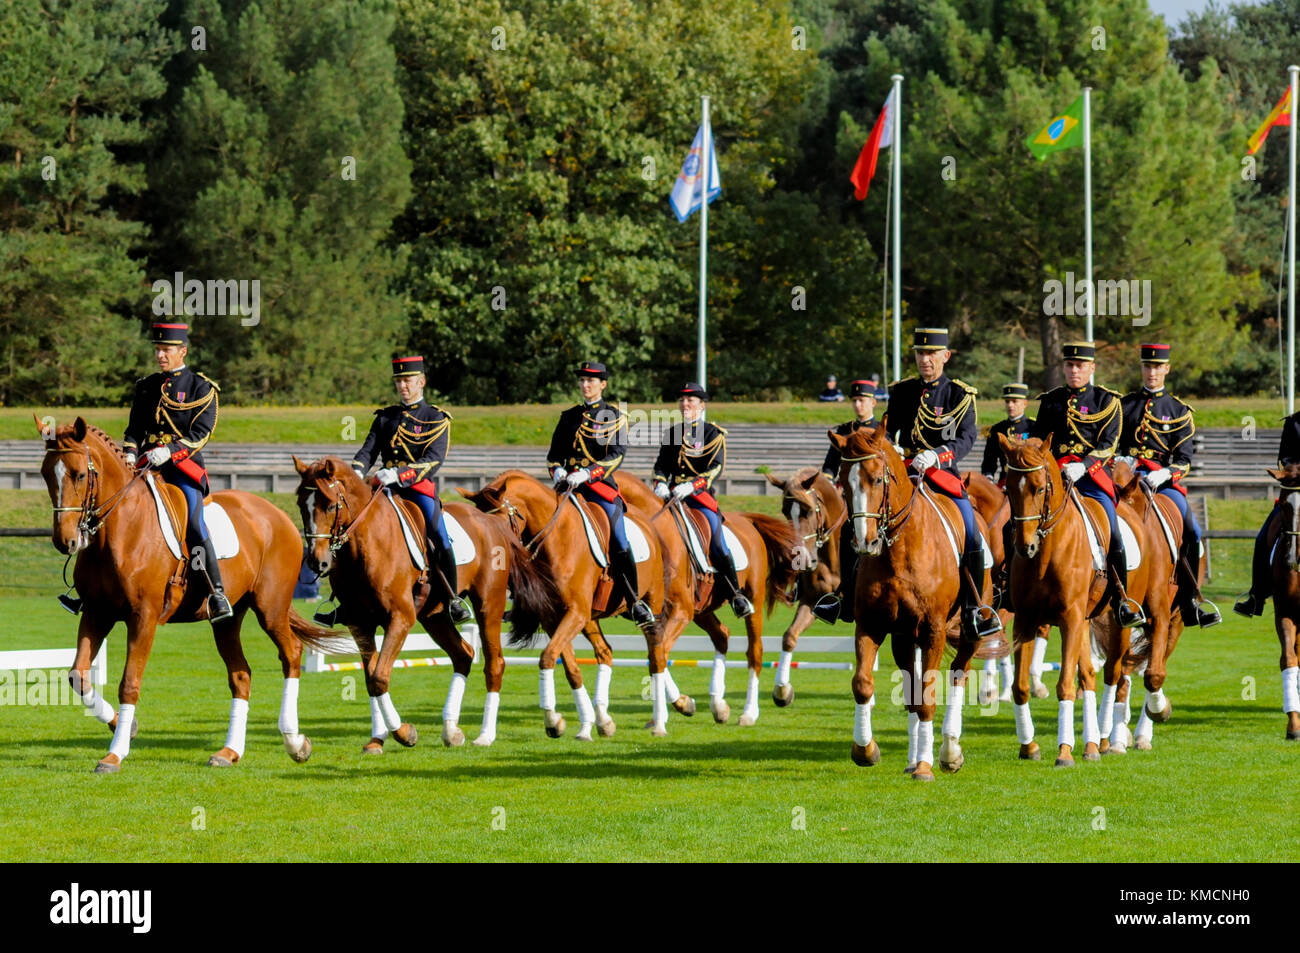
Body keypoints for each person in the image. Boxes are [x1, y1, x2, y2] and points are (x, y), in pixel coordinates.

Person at [823, 328, 1001, 639]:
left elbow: (967, 438)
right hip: (903, 474)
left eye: (932, 354)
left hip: (942, 476)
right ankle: (845, 598)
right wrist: (892, 449)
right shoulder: (902, 391)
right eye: (920, 354)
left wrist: (937, 456)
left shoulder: (959, 395)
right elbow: (888, 431)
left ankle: (977, 609)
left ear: (945, 356)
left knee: (972, 534)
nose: (925, 360)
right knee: (855, 525)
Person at [1031, 341, 1145, 628]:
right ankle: (1008, 588)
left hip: (1092, 480)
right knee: (1017, 524)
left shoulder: (1107, 401)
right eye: (1070, 365)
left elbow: (1109, 444)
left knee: (1114, 534)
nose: (1074, 370)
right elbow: (1039, 441)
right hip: (1055, 479)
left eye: (1080, 366)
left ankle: (1121, 599)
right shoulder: (1050, 400)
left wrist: (1083, 465)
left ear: (1091, 368)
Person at [123, 322, 231, 621]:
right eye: (157, 350)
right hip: (146, 465)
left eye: (166, 350)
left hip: (183, 469)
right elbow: (134, 430)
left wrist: (169, 451)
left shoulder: (201, 387)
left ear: (182, 351)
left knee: (194, 524)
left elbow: (202, 433)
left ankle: (216, 592)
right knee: (114, 509)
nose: (160, 355)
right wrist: (131, 453)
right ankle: (93, 588)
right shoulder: (146, 386)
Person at [351, 355, 471, 624]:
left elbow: (434, 460)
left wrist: (399, 474)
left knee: (439, 534)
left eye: (408, 381)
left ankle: (453, 598)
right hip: (383, 487)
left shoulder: (436, 418)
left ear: (421, 382)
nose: (403, 386)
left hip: (416, 488)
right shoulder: (385, 417)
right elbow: (368, 451)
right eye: (399, 381)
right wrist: (356, 472)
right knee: (353, 526)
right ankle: (341, 599)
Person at [1119, 343, 1219, 628]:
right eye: (1147, 367)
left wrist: (1164, 474)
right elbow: (1110, 444)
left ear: (1166, 369)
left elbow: (1184, 460)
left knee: (1192, 530)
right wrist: (1121, 462)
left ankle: (1189, 602)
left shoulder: (1178, 410)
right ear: (1141, 368)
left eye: (1157, 367)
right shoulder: (1124, 406)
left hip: (1161, 483)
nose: (1152, 373)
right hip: (1125, 481)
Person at [547, 361, 654, 627]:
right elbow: (553, 456)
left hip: (598, 490)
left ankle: (634, 601)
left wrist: (588, 473)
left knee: (618, 540)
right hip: (567, 489)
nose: (586, 385)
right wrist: (558, 471)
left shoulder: (615, 416)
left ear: (603, 385)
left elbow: (616, 456)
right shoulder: (568, 416)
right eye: (582, 381)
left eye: (591, 381)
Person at [652, 382, 754, 617]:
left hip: (699, 499)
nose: (685, 404)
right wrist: (660, 482)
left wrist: (691, 486)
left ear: (701, 405)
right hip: (672, 498)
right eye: (682, 400)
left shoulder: (712, 433)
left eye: (690, 401)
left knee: (717, 542)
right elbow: (661, 465)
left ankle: (735, 594)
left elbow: (716, 468)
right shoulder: (673, 433)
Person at [811, 381, 878, 625]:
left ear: (873, 402)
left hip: (878, 504)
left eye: (863, 400)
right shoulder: (844, 430)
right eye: (855, 400)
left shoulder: (882, 431)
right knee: (844, 531)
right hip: (850, 499)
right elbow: (829, 467)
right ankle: (846, 598)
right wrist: (830, 485)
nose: (858, 404)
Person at [1235, 410, 1300, 617]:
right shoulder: (1294, 422)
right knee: (1263, 538)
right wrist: (1293, 469)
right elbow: (1284, 457)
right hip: (1296, 492)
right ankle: (1257, 596)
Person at [981, 382, 1034, 486]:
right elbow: (989, 460)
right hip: (1004, 481)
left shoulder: (1033, 427)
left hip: (1028, 483)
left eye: (1015, 401)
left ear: (1025, 403)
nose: (1010, 405)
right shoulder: (997, 429)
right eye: (1007, 401)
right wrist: (988, 476)